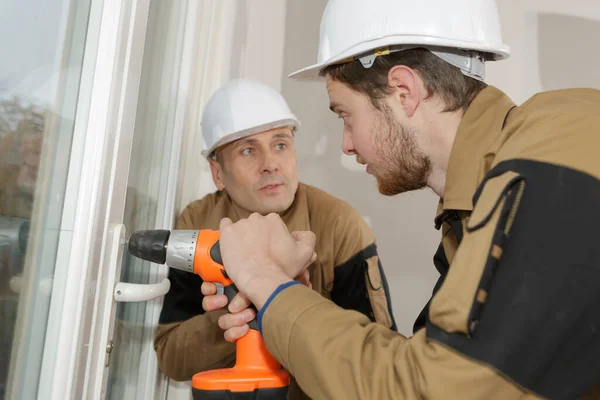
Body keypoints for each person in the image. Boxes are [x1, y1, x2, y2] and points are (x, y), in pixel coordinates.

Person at [201, 0, 600, 399]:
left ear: (404, 91)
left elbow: (433, 390)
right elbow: (419, 362)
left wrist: (267, 283)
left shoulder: (561, 147)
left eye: (345, 115)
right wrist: (291, 302)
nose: (346, 145)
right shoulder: (474, 214)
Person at [154, 78, 397, 399]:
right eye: (248, 150)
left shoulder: (339, 225)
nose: (270, 164)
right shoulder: (197, 225)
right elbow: (172, 358)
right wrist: (233, 317)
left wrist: (275, 298)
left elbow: (377, 364)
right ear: (217, 173)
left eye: (280, 144)